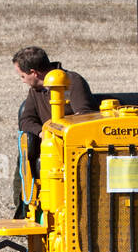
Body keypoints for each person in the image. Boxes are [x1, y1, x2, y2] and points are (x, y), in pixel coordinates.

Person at [12, 47, 94, 215]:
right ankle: (26, 208)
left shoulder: (73, 82)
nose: (22, 80)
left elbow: (85, 118)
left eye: (22, 76)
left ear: (34, 73)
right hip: (50, 148)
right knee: (24, 155)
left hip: (73, 150)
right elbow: (26, 120)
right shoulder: (34, 92)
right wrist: (43, 133)